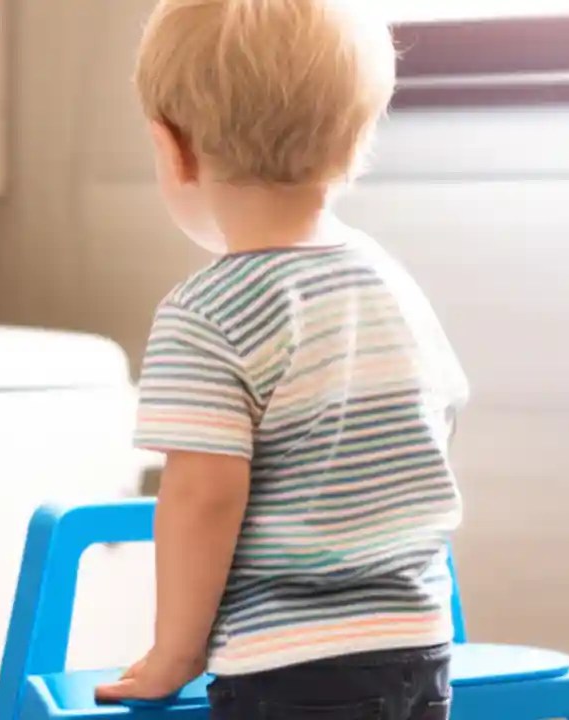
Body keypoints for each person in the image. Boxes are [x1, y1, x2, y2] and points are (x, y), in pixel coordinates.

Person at [95, 1, 468, 717]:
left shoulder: (206, 313)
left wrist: (175, 652)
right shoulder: (390, 281)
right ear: (356, 139)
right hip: (418, 642)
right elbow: (438, 416)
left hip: (292, 664)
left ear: (172, 148)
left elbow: (203, 498)